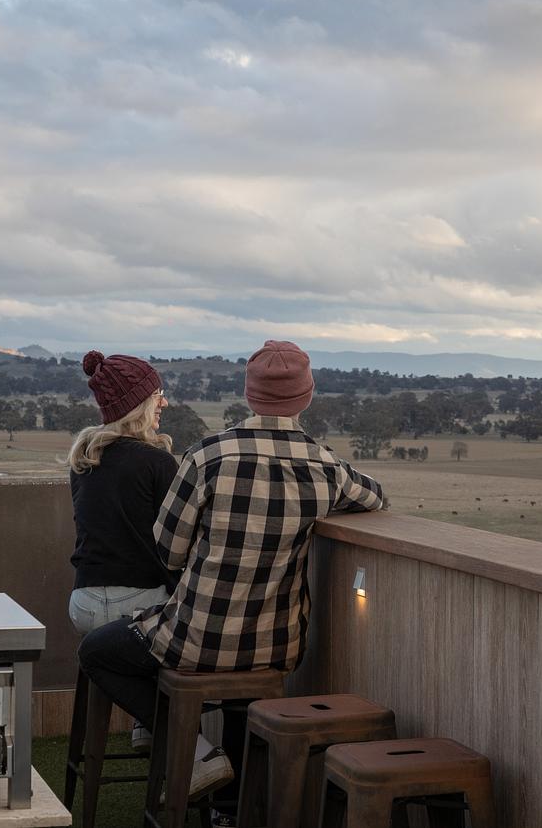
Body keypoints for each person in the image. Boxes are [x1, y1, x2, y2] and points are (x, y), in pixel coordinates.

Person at [78, 340, 388, 803]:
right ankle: (230, 809)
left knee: (96, 650)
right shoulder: (327, 468)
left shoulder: (206, 457)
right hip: (277, 646)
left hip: (194, 641)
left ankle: (194, 756)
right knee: (247, 696)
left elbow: (170, 551)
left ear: (249, 394)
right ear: (306, 396)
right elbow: (376, 498)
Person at [67, 351, 176, 751]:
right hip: (138, 604)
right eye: (158, 394)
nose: (163, 403)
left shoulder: (83, 461)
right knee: (178, 616)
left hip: (84, 604)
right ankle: (193, 748)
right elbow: (174, 548)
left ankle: (144, 724)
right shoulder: (158, 463)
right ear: (140, 404)